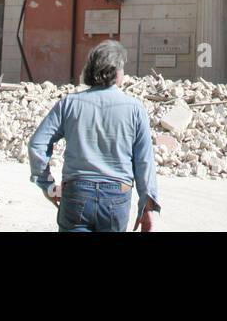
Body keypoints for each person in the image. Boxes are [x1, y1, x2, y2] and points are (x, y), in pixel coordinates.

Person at [28, 40, 160, 232]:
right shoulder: (135, 109)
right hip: (116, 198)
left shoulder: (69, 104)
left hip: (76, 194)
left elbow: (37, 144)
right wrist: (147, 207)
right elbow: (144, 162)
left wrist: (47, 185)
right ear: (116, 71)